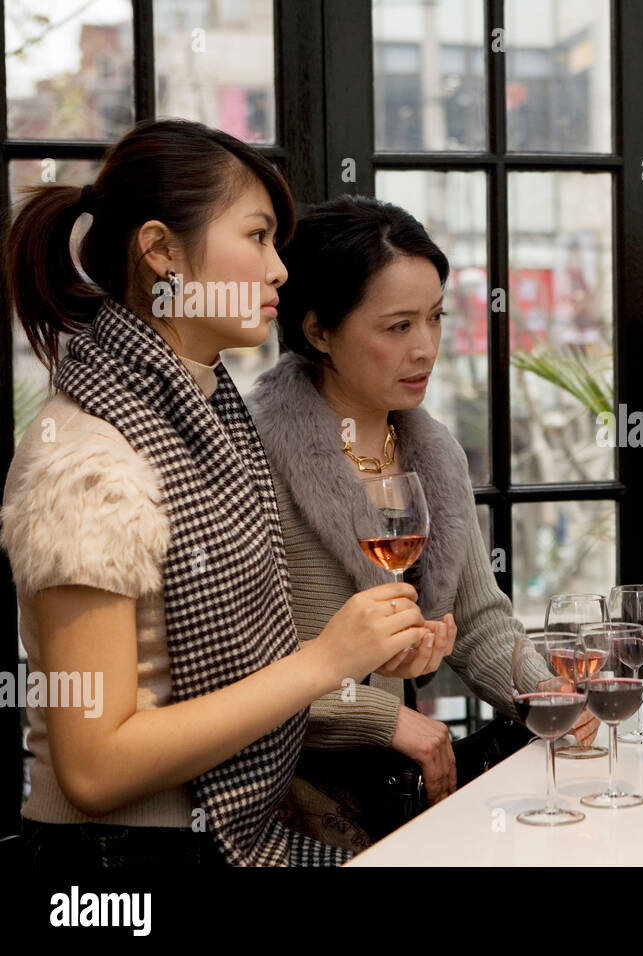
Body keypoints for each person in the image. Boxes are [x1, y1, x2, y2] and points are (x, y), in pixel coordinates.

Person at [0, 120, 440, 867]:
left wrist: (360, 655)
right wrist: (324, 662)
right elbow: (94, 768)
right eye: (258, 237)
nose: (279, 270)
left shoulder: (210, 418)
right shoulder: (89, 462)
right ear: (161, 251)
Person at [247, 195, 597, 849]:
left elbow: (481, 623)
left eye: (435, 318)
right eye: (397, 327)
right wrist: (387, 719)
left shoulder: (432, 452)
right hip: (282, 802)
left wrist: (547, 691)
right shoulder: (253, 455)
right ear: (319, 330)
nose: (427, 348)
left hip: (397, 794)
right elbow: (238, 668)